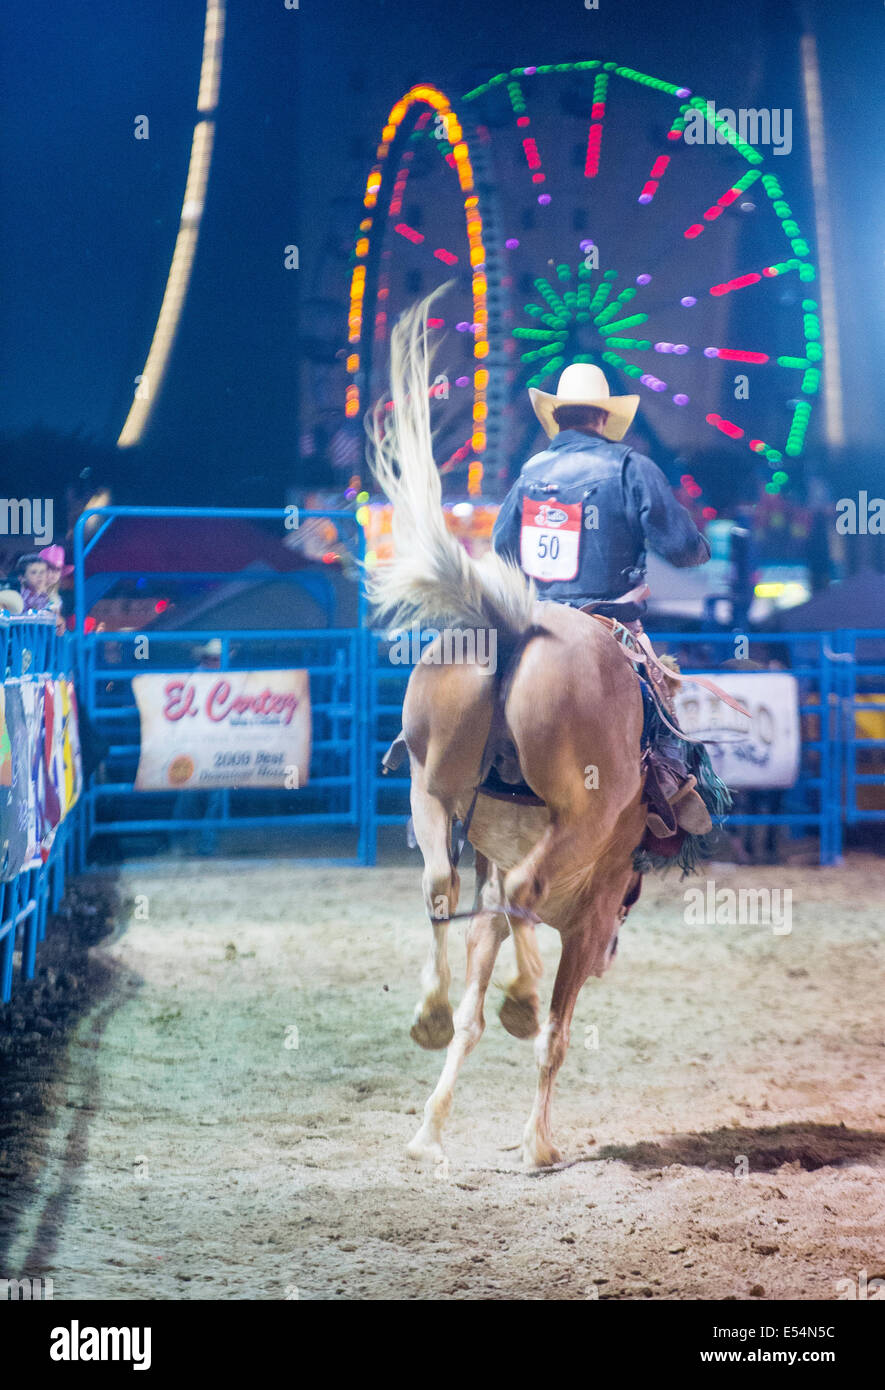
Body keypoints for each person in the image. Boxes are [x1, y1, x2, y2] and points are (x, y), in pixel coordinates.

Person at [491, 363, 713, 835]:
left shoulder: (529, 472)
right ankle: (668, 785)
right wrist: (699, 549)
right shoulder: (631, 467)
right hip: (609, 623)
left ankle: (461, 767)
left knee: (489, 680)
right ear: (603, 418)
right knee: (659, 689)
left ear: (558, 416)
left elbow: (501, 549)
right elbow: (678, 546)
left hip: (538, 619)